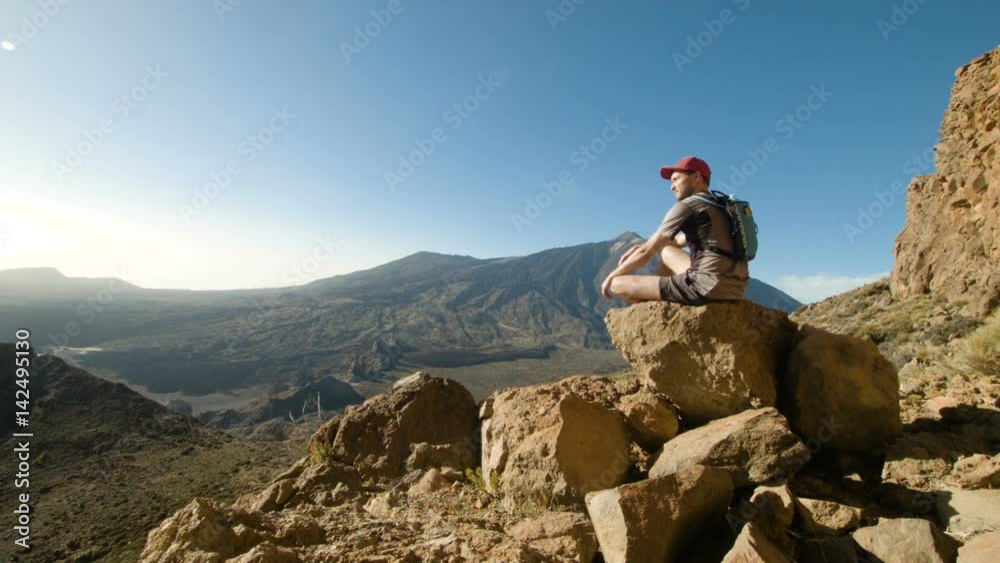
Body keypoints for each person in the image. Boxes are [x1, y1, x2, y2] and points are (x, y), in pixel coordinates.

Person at [601, 156, 750, 305]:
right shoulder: (723, 207)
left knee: (616, 284)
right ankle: (661, 294)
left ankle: (657, 303)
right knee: (667, 250)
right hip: (736, 289)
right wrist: (642, 245)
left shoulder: (689, 205)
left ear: (696, 176)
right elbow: (676, 241)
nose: (671, 186)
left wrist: (611, 276)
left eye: (676, 179)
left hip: (705, 287)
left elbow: (647, 252)